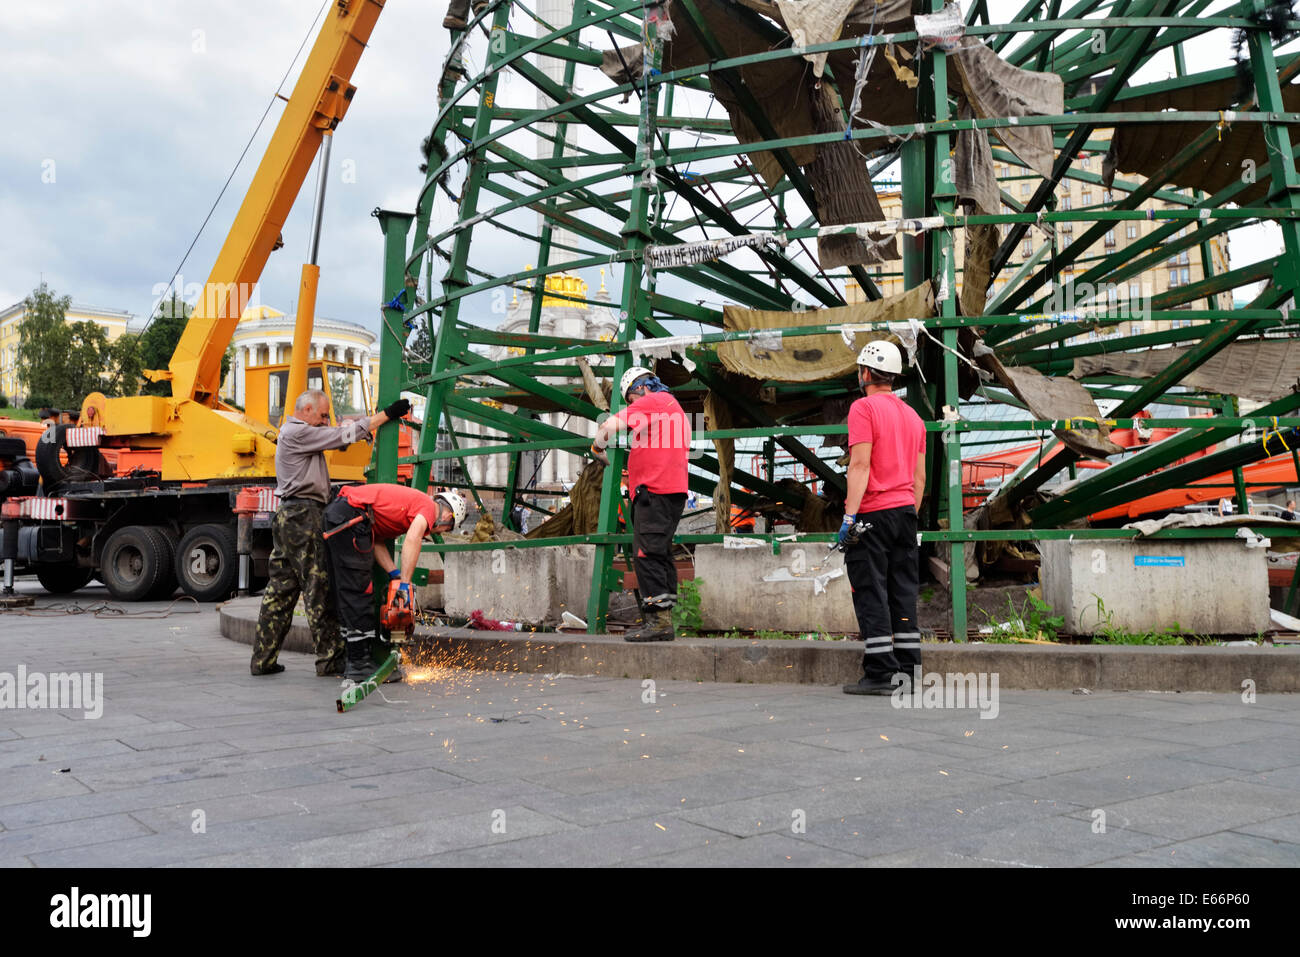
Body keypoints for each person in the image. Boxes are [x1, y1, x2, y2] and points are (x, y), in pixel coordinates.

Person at [250, 390, 409, 677]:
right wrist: (386, 415)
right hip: (304, 516)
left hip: (289, 516)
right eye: (323, 416)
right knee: (318, 588)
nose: (326, 421)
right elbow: (340, 435)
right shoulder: (298, 432)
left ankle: (263, 660)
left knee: (280, 591)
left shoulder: (293, 434)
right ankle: (330, 660)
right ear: (306, 410)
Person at [840, 341, 928, 696]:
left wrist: (849, 517)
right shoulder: (914, 418)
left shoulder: (862, 409)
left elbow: (860, 465)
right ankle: (909, 671)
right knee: (903, 591)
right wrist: (907, 514)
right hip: (906, 512)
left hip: (873, 514)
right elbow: (919, 479)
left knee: (871, 590)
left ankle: (880, 672)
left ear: (865, 373)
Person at [323, 483, 465, 681]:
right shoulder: (428, 508)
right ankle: (359, 664)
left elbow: (376, 541)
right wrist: (404, 586)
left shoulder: (409, 508)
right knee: (359, 591)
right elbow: (413, 539)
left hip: (341, 515)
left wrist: (394, 574)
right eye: (446, 529)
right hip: (349, 517)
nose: (438, 533)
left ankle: (350, 659)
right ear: (448, 515)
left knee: (345, 591)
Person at [590, 365, 691, 642]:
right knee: (660, 553)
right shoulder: (671, 407)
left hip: (655, 493)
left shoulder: (653, 401)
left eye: (631, 399)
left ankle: (658, 623)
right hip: (671, 491)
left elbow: (609, 426)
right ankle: (663, 619)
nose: (633, 406)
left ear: (641, 388)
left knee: (646, 554)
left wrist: (597, 447)